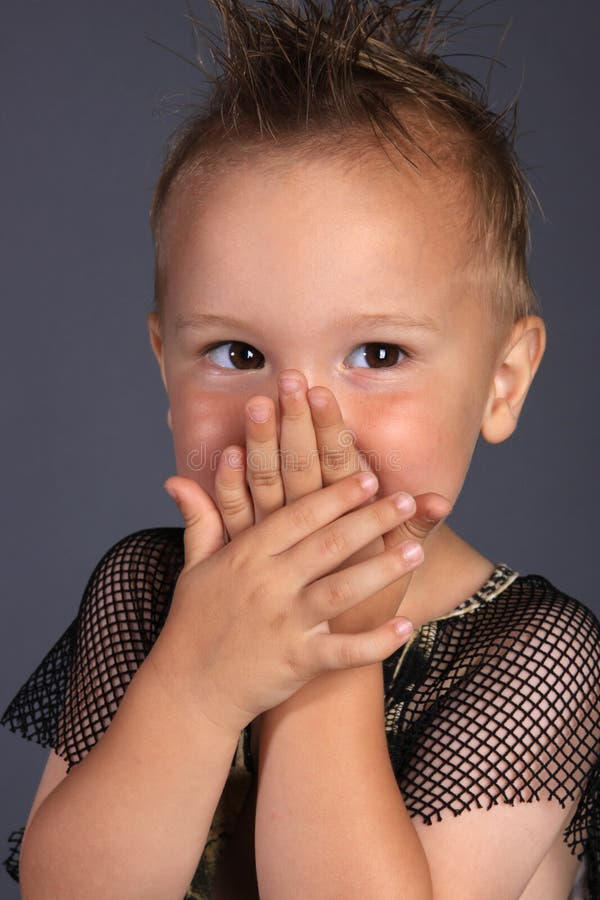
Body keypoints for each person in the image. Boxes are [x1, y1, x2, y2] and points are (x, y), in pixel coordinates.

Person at [2, 0, 599, 897]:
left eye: (378, 355)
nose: (299, 418)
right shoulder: (144, 594)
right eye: (239, 354)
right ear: (167, 370)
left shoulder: (536, 657)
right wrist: (197, 686)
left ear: (503, 382)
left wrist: (329, 656)